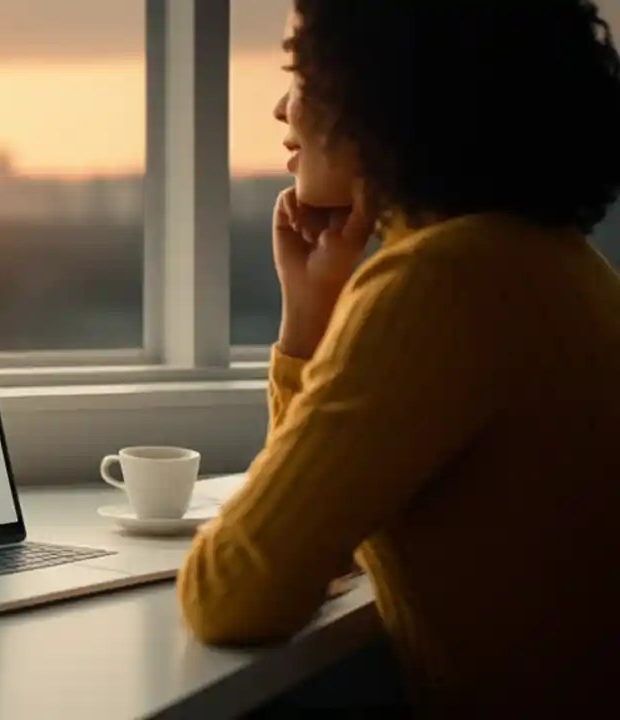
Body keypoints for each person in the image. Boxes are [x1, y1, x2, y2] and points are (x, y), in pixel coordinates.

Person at [177, 0, 620, 713]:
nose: (280, 109)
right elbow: (334, 536)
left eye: (300, 72)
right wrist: (312, 319)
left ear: (384, 91)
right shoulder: (550, 263)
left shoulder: (441, 282)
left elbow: (233, 591)